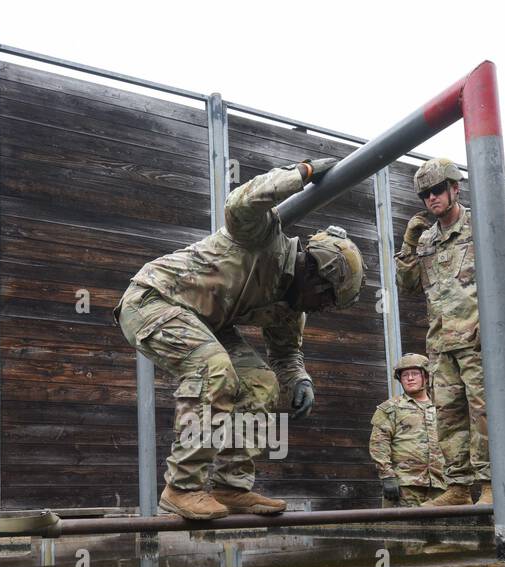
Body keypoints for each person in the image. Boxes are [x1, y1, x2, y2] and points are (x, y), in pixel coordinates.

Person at [115, 160, 364, 521]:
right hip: (155, 299)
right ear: (315, 274)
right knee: (213, 368)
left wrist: (299, 379)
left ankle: (231, 487)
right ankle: (181, 488)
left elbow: (286, 353)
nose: (323, 308)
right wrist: (302, 173)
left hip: (208, 324)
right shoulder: (262, 238)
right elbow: (241, 203)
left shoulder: (290, 309)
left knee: (262, 383)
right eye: (326, 299)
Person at [396, 157, 505, 507]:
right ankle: (456, 486)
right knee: (448, 414)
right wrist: (408, 245)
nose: (432, 198)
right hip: (441, 344)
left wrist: (492, 325)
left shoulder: (483, 226)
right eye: (425, 194)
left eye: (438, 190)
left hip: (478, 341)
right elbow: (406, 285)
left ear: (455, 188)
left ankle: (489, 484)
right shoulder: (424, 241)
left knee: (484, 412)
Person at [368, 353, 446, 507]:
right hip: (405, 486)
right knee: (402, 528)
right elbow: (378, 444)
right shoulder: (390, 408)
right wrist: (387, 476)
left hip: (441, 486)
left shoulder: (443, 407)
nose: (410, 378)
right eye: (405, 375)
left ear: (426, 376)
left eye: (415, 374)